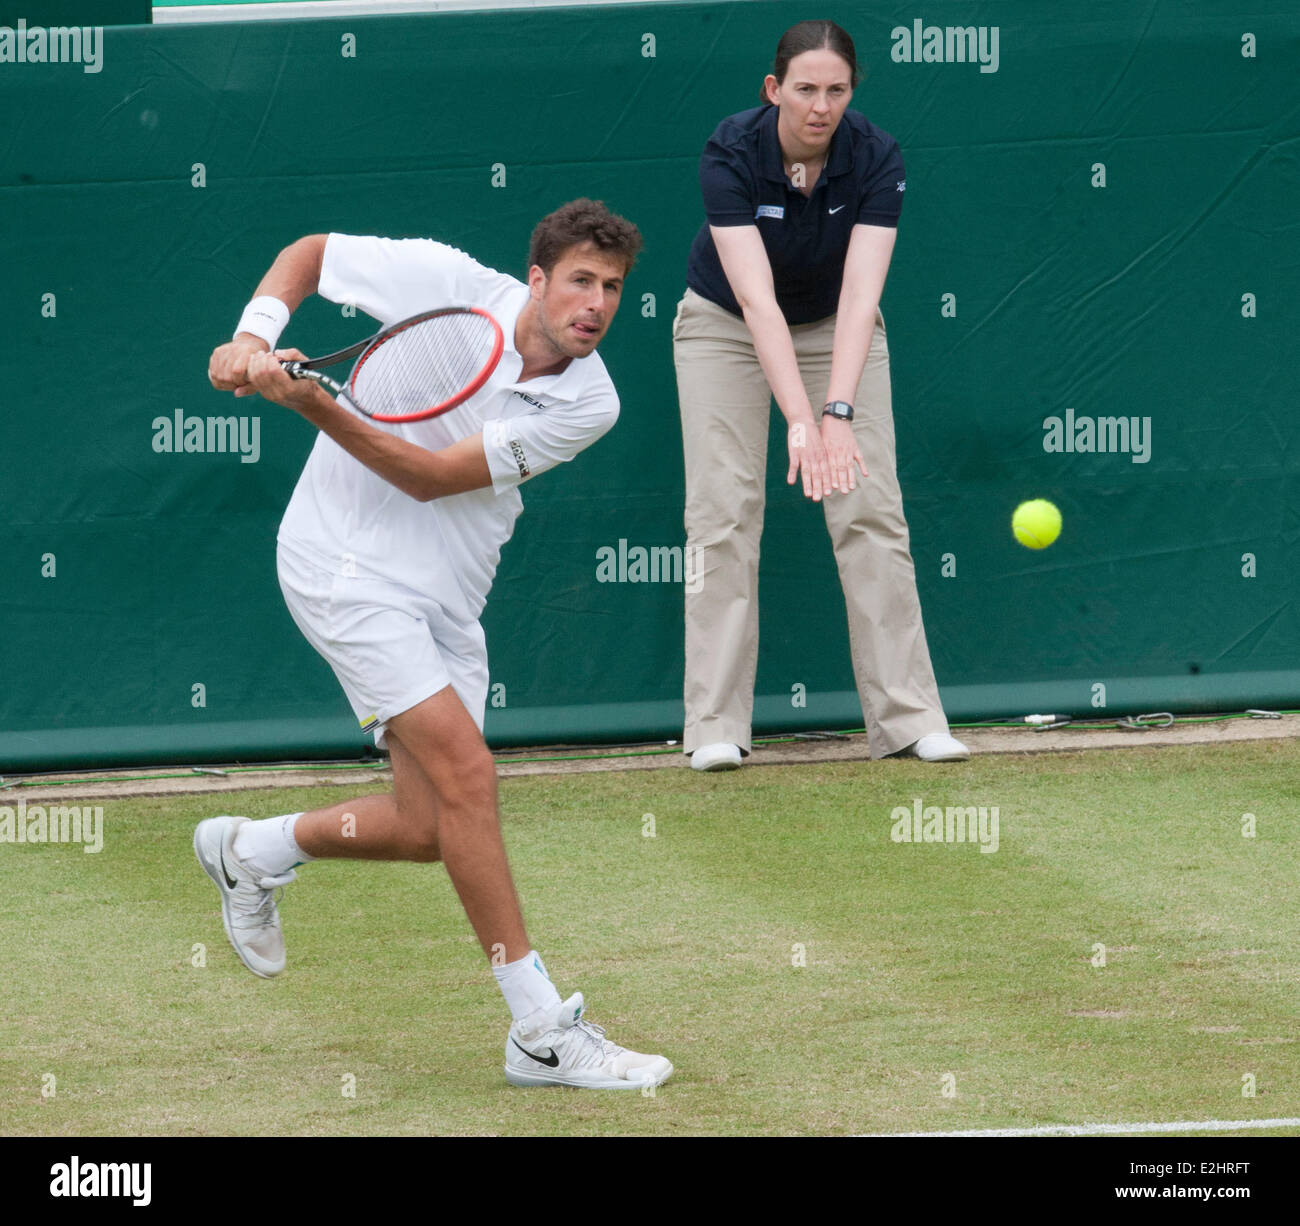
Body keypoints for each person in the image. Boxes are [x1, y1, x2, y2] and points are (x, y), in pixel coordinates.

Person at [197, 199, 672, 1090]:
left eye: (611, 288)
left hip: (448, 600)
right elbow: (311, 248)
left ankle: (249, 850)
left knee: (430, 828)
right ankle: (539, 1029)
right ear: (536, 279)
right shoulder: (449, 285)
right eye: (580, 281)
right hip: (342, 568)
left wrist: (308, 403)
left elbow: (427, 478)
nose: (596, 304)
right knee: (472, 781)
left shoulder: (591, 401)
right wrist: (253, 335)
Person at [674, 19, 970, 772]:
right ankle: (714, 725)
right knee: (723, 511)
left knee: (871, 507)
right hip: (725, 325)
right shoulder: (729, 152)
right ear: (774, 90)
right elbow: (756, 300)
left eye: (836, 90)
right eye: (805, 89)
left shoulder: (876, 157)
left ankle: (908, 719)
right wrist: (800, 422)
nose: (820, 105)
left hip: (841, 325)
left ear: (851, 94)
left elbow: (863, 292)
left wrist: (835, 412)